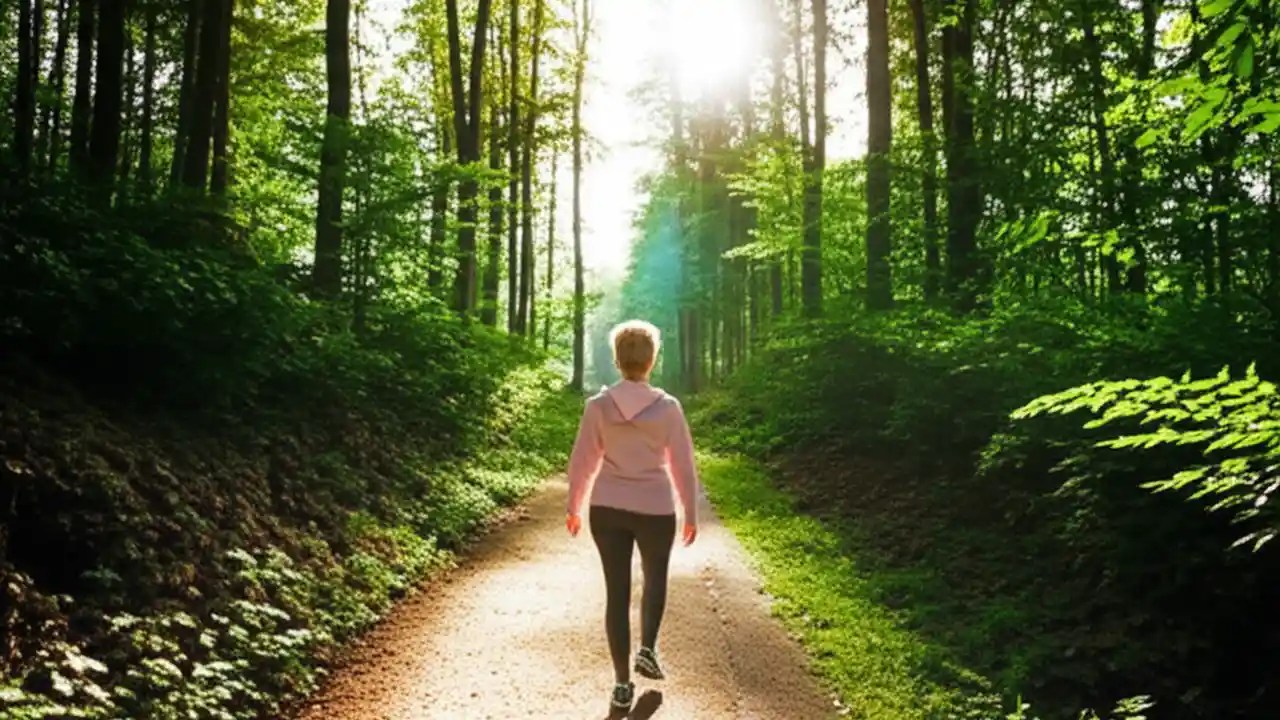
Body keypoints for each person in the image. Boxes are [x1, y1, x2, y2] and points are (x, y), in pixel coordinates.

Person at [565, 319, 701, 711]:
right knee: (655, 578)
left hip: (607, 507)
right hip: (656, 507)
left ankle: (622, 684)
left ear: (617, 358)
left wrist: (574, 503)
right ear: (652, 360)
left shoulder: (598, 406)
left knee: (617, 593)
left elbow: (583, 460)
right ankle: (648, 648)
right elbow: (683, 465)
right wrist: (690, 510)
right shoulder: (668, 408)